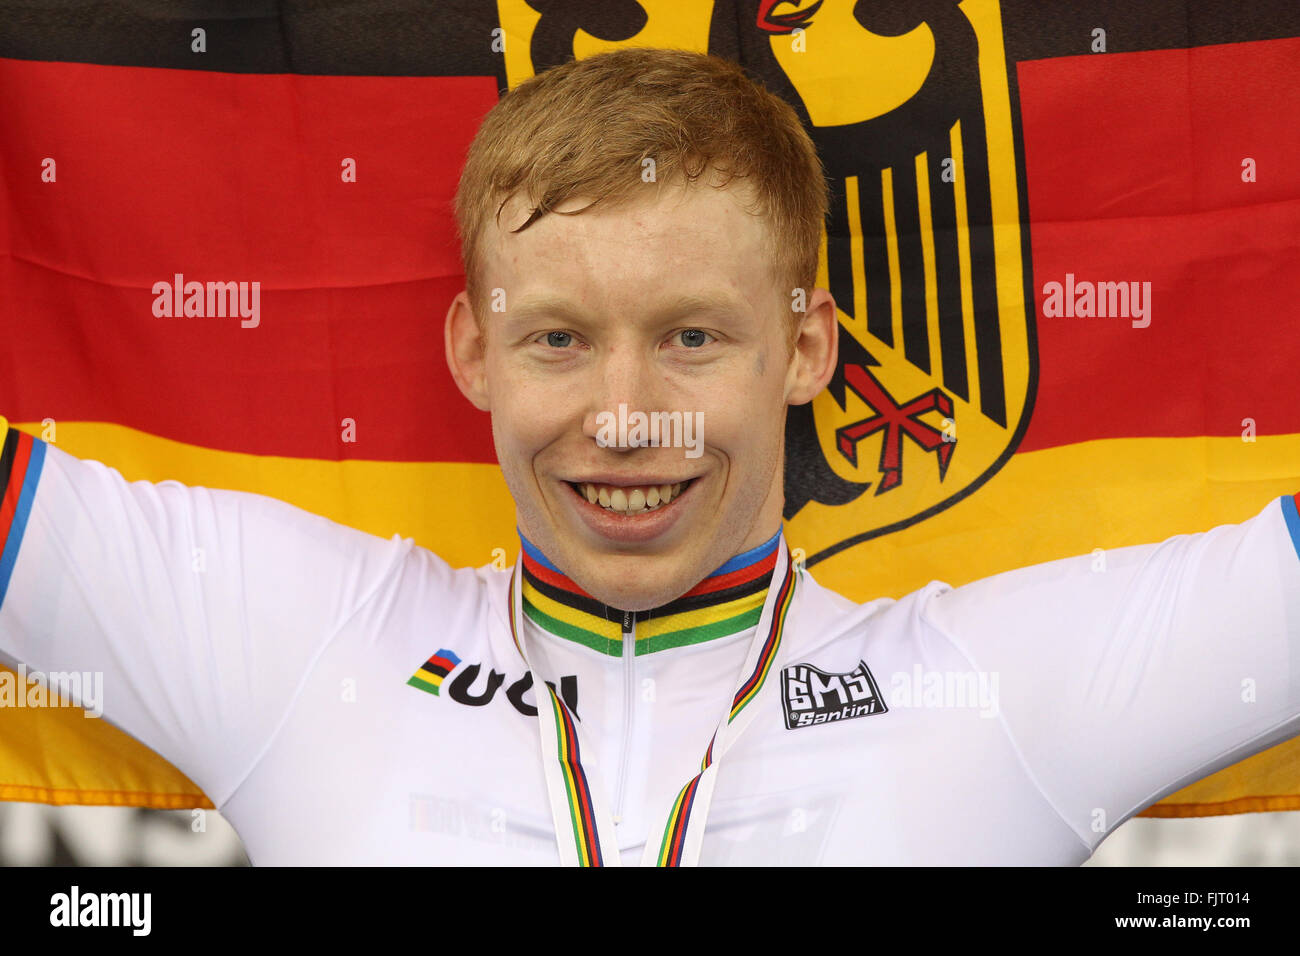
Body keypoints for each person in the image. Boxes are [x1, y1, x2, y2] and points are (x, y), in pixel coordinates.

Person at [1, 47, 1298, 866]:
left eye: (690, 337)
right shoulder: (298, 641)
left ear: (804, 352)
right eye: (558, 340)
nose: (625, 417)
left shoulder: (1002, 689)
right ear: (472, 353)